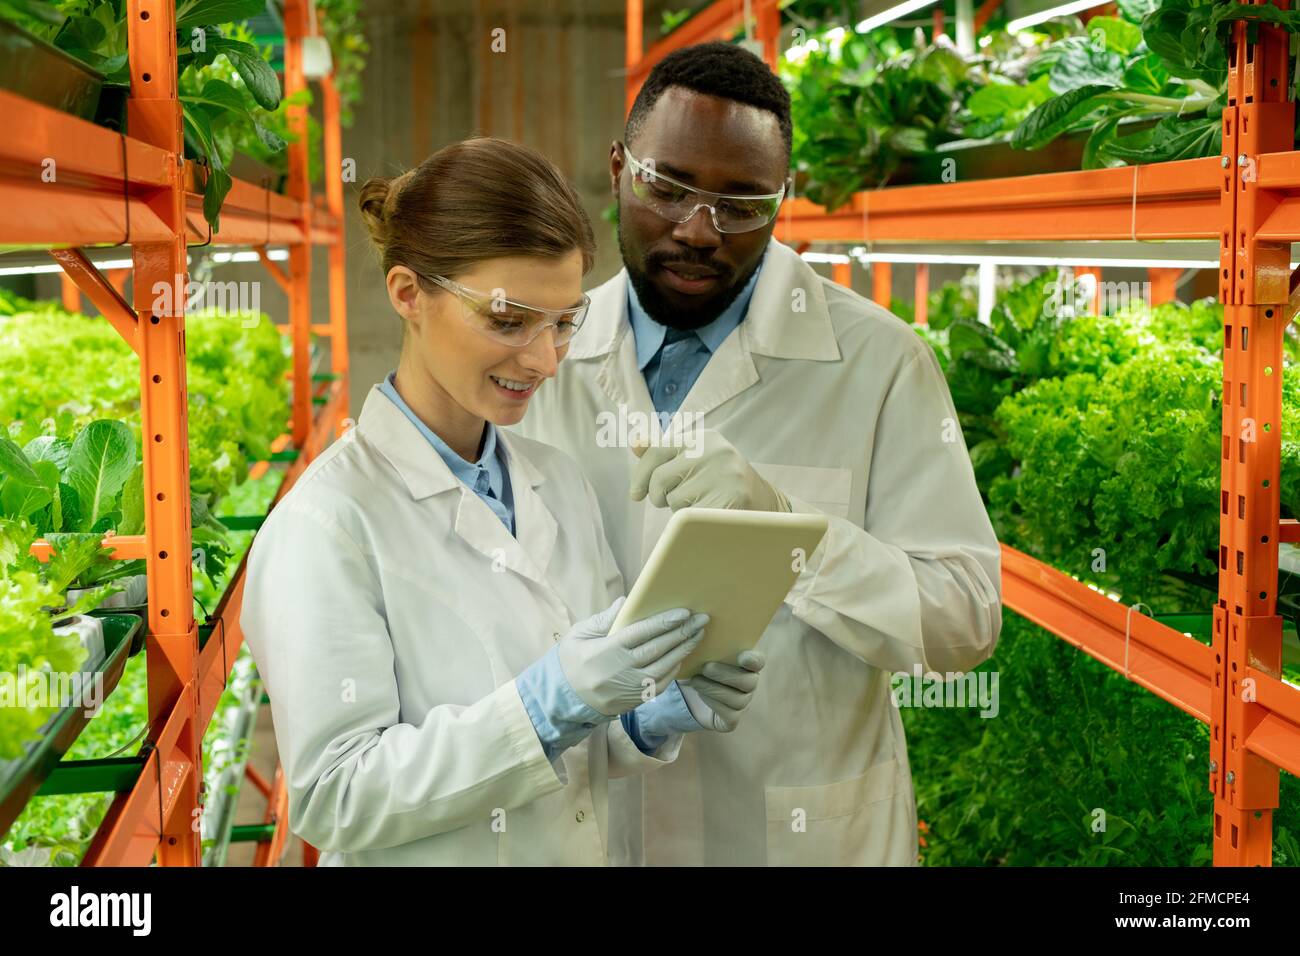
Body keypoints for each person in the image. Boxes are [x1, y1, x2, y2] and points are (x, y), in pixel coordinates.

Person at [513, 42, 1002, 866]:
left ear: (784, 201)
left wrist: (789, 530)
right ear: (618, 167)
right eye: (667, 187)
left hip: (800, 833)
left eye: (742, 204)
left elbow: (962, 623)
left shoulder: (877, 362)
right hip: (595, 824)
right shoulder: (540, 361)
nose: (699, 230)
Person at [241, 137, 766, 866]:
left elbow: (571, 747)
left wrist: (647, 715)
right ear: (407, 295)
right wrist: (547, 701)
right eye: (507, 321)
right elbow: (336, 795)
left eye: (562, 322)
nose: (545, 360)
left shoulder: (557, 480)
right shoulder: (326, 524)